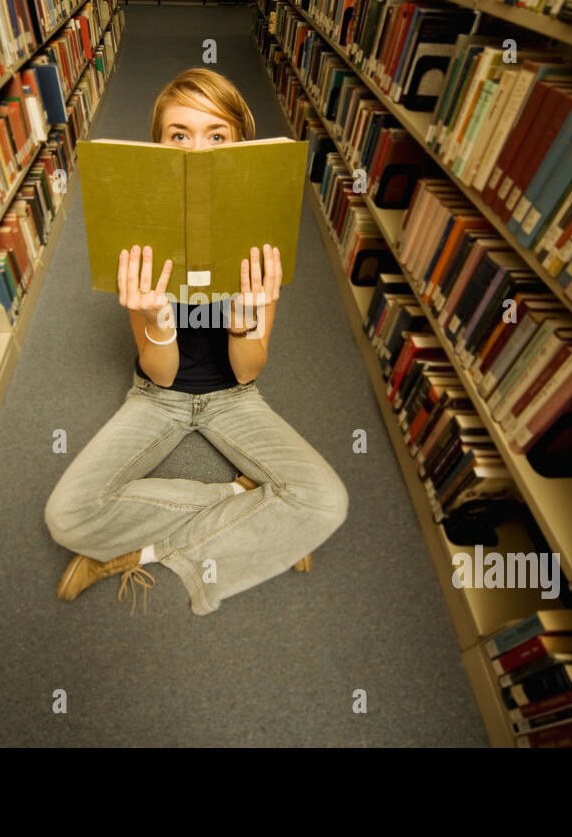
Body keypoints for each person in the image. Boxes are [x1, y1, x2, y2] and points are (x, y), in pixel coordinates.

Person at [44, 68, 348, 615]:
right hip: (157, 397)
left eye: (217, 135)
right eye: (179, 135)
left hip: (234, 398)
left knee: (327, 500)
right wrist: (157, 318)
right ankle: (249, 505)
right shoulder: (139, 237)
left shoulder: (258, 238)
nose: (197, 149)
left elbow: (249, 370)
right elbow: (159, 374)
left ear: (238, 147)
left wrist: (244, 315)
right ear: (159, 148)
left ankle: (143, 550)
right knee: (67, 515)